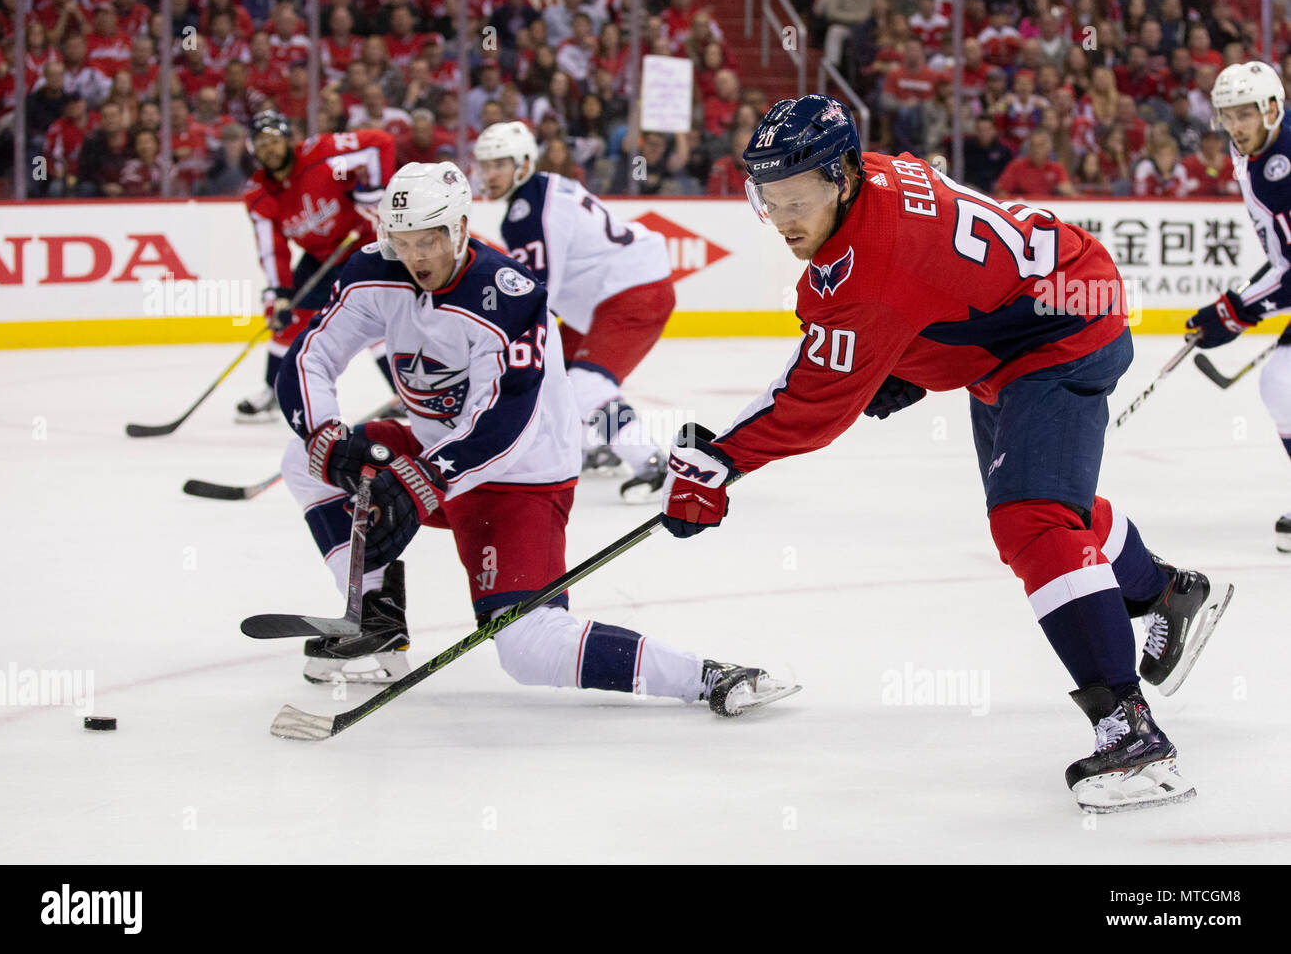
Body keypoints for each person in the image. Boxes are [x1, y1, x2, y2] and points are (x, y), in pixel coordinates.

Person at [657, 95, 1235, 812]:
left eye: (797, 197)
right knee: (1049, 503)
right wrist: (905, 358)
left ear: (840, 177)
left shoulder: (869, 267)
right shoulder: (872, 181)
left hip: (1058, 330)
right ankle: (1161, 592)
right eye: (768, 199)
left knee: (1033, 518)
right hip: (1025, 324)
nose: (783, 218)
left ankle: (1134, 736)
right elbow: (935, 280)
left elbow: (815, 401)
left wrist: (722, 463)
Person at [270, 161, 796, 716]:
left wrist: (423, 480)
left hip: (520, 479)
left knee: (529, 648)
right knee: (305, 458)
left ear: (458, 228)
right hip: (435, 463)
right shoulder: (375, 272)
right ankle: (374, 615)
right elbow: (311, 356)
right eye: (402, 242)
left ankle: (706, 677)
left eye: (428, 240)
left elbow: (504, 419)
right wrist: (326, 433)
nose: (416, 257)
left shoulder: (508, 294)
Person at [475, 121, 676, 502]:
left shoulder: (527, 211)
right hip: (616, 292)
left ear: (522, 164)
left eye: (499, 164)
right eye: (485, 165)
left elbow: (534, 298)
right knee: (555, 372)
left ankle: (650, 461)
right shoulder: (544, 188)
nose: (490, 174)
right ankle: (588, 446)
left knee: (586, 384)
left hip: (630, 292)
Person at [1184, 62, 1291, 552]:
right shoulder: (1251, 146)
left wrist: (1231, 312)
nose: (1235, 125)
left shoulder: (1283, 164)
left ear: (1272, 108)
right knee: (1282, 384)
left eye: (1245, 113)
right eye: (1227, 116)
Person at [238, 110, 397, 421]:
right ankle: (272, 389)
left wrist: (376, 193)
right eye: (261, 143)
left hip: (361, 246)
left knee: (372, 318)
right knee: (288, 316)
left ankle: (404, 391)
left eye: (273, 139)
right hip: (320, 258)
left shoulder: (320, 152)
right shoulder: (259, 193)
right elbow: (273, 249)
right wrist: (280, 291)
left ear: (287, 138)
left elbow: (380, 142)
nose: (269, 148)